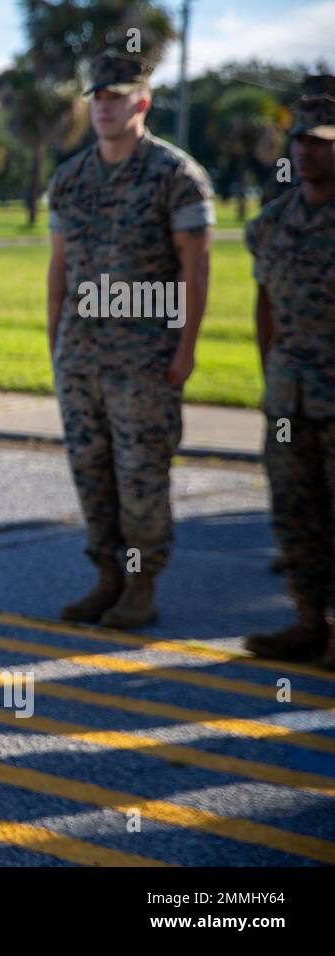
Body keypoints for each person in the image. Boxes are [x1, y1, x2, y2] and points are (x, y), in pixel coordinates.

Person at [46, 51, 214, 629]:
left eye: (116, 98)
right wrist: (55, 347)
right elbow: (58, 271)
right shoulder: (70, 179)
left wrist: (185, 350)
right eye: (98, 98)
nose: (105, 108)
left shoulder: (175, 175)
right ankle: (107, 579)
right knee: (91, 471)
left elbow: (196, 270)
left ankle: (141, 586)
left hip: (145, 359)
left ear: (142, 102)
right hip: (81, 357)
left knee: (141, 475)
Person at [244, 75, 335, 668]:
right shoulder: (271, 223)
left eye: (322, 140)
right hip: (287, 399)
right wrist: (268, 374)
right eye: (301, 139)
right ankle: (309, 620)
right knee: (294, 513)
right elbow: (265, 304)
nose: (306, 149)